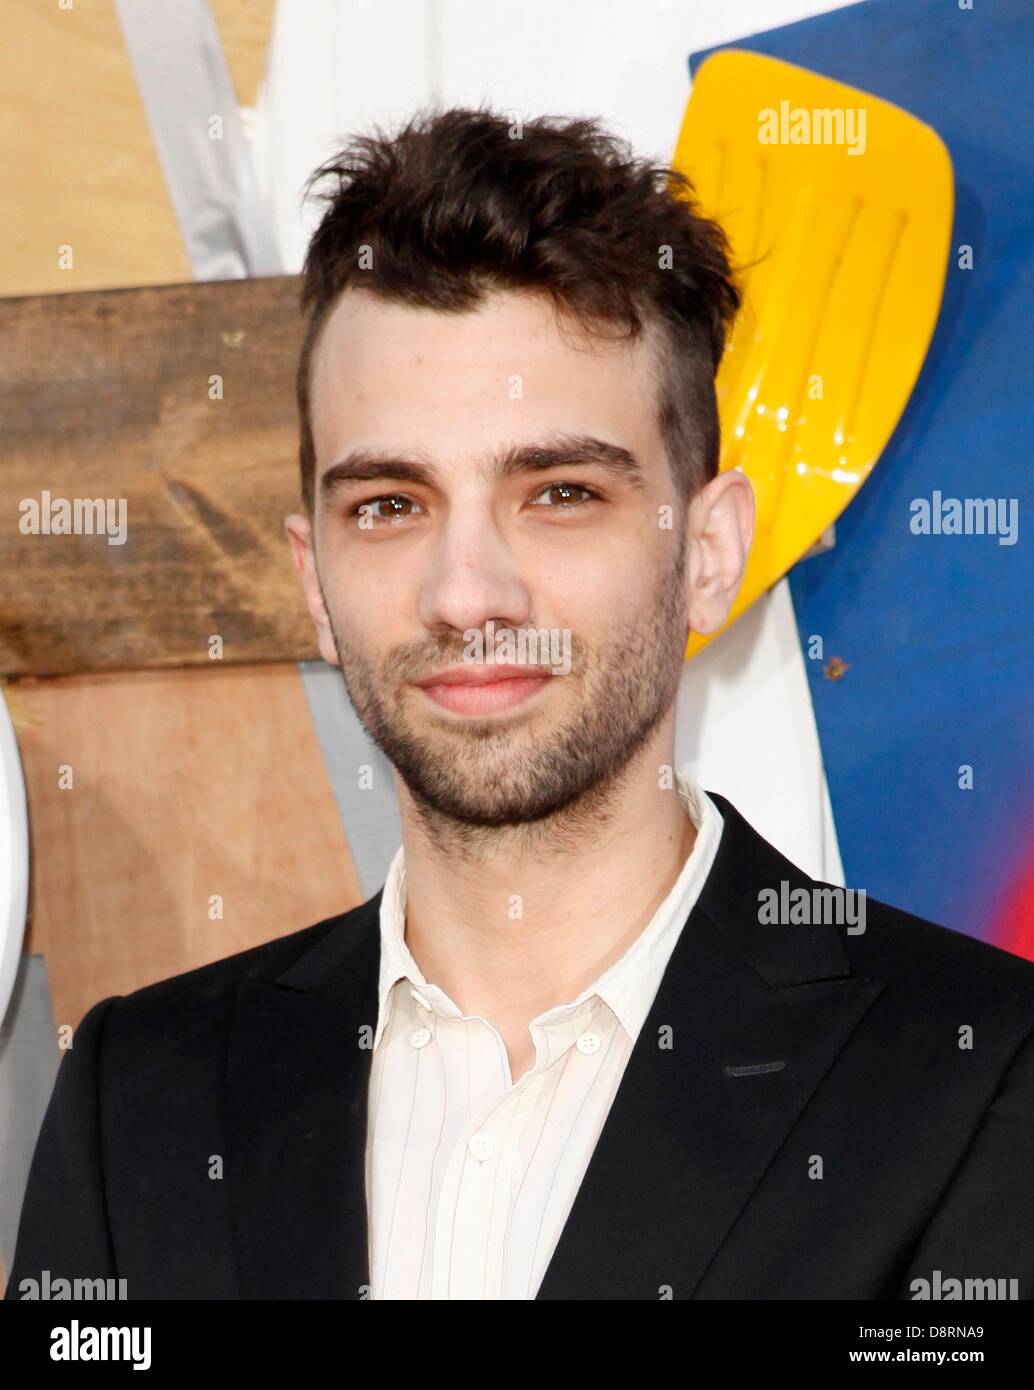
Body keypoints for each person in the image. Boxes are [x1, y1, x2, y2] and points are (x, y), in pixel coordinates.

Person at [8, 105, 1034, 1302]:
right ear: (314, 581)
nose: (465, 592)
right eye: (389, 504)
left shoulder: (974, 1078)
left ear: (707, 550)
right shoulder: (138, 1095)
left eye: (557, 492)